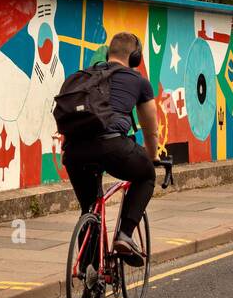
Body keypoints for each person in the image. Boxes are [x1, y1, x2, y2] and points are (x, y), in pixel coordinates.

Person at [62, 31, 161, 277]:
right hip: (112, 146)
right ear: (135, 56)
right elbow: (151, 130)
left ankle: (89, 277)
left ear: (108, 53)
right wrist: (153, 157)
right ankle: (125, 235)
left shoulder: (83, 76)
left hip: (74, 152)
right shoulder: (138, 81)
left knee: (89, 207)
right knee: (146, 175)